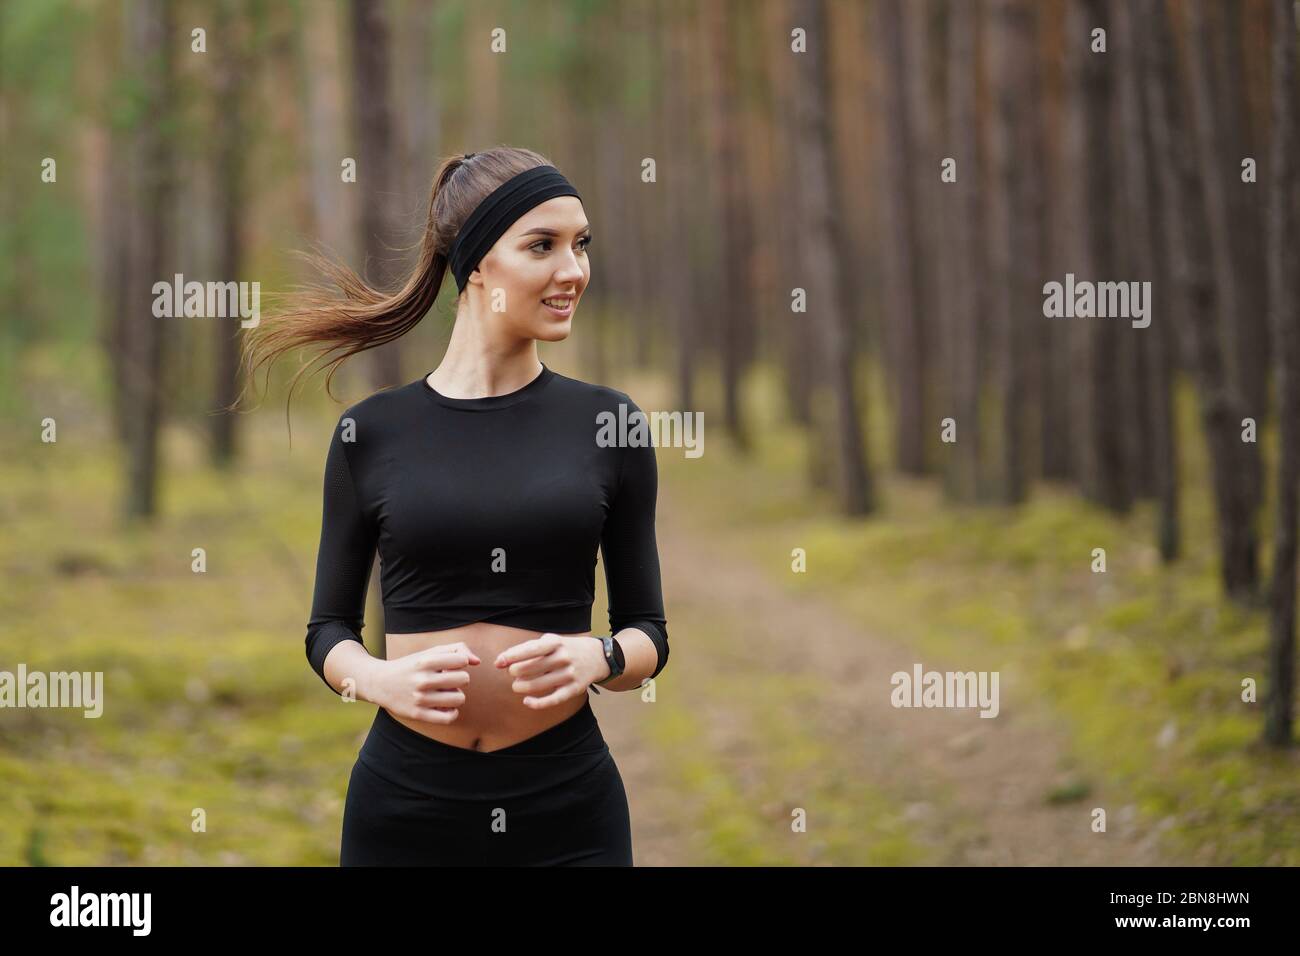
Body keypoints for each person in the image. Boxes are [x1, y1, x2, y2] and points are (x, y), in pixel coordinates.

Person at [241, 146, 669, 865]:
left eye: (581, 245)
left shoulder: (610, 422)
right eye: (543, 245)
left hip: (567, 808)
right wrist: (376, 678)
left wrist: (598, 655)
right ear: (476, 265)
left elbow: (648, 635)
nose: (574, 271)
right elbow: (327, 630)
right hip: (406, 809)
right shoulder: (371, 432)